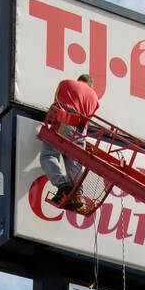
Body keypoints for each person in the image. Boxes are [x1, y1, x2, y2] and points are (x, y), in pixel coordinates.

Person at [39, 73, 100, 211]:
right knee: (75, 162)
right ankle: (76, 194)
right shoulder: (95, 98)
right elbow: (88, 118)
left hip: (64, 120)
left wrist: (48, 125)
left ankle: (63, 185)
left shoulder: (66, 83)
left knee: (49, 155)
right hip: (81, 130)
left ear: (79, 80)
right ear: (90, 85)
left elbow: (56, 102)